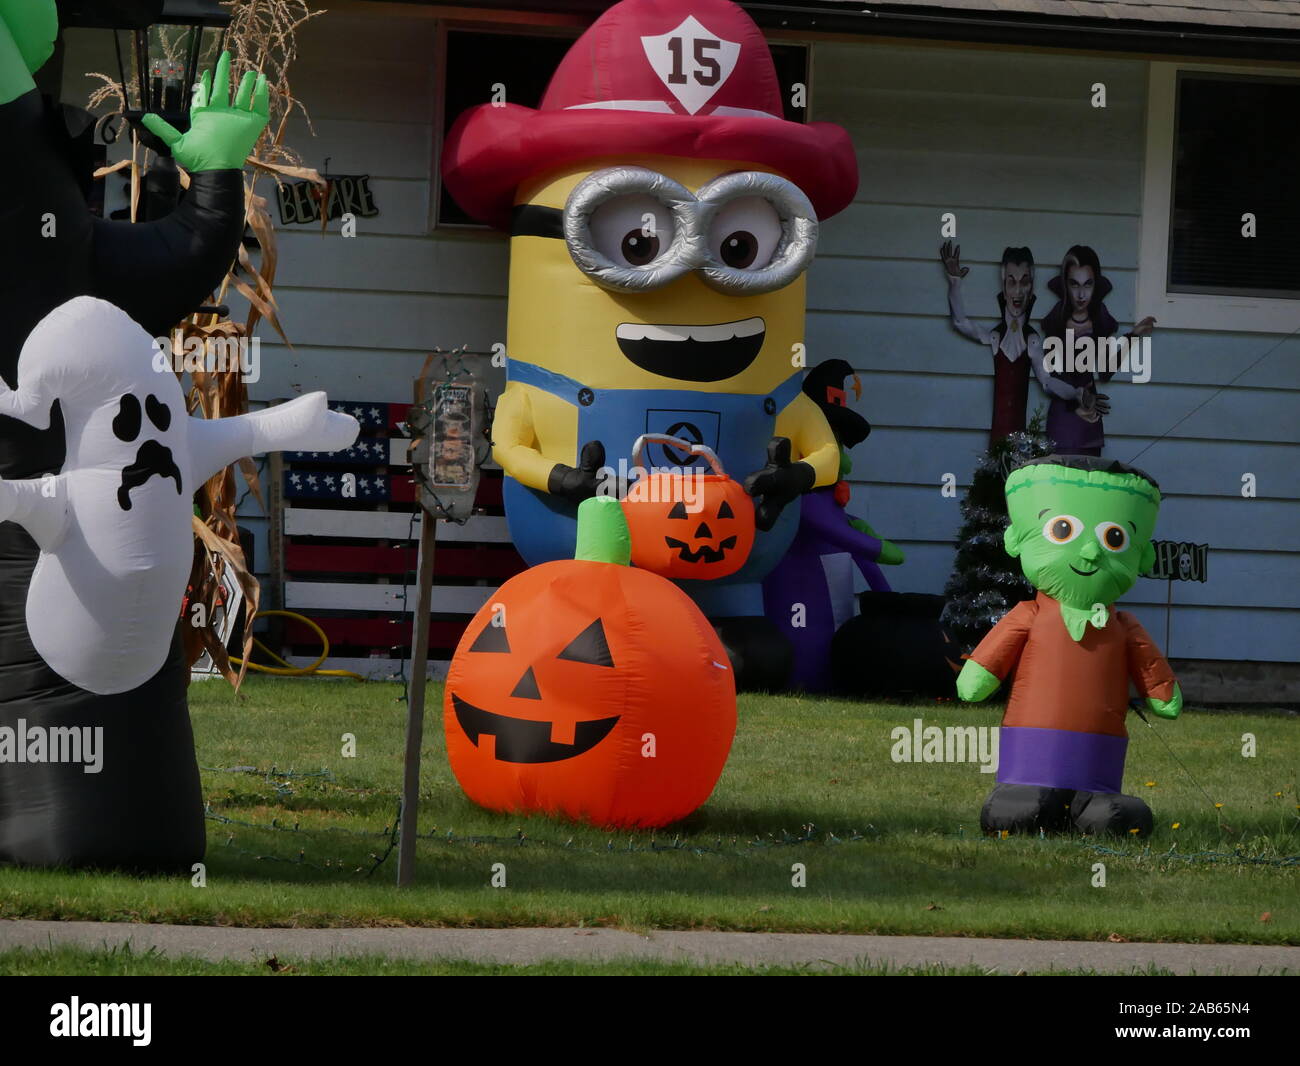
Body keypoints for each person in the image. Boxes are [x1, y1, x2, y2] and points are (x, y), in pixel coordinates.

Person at [940, 241, 1082, 446]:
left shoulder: (1032, 340)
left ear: (1031, 284)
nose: (1018, 291)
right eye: (1011, 281)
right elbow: (960, 321)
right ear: (1004, 285)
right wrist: (955, 281)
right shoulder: (995, 336)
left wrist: (1075, 393)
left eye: (1024, 282)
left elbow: (1047, 381)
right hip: (996, 442)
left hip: (1020, 442)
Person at [1038, 245, 1155, 456]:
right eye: (1074, 284)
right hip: (1064, 413)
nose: (1081, 294)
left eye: (1088, 284)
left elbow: (1105, 371)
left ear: (1095, 285)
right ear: (1065, 285)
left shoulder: (1099, 318)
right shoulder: (1057, 319)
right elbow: (1050, 376)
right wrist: (1076, 402)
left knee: (1090, 478)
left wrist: (1133, 336)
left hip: (1091, 415)